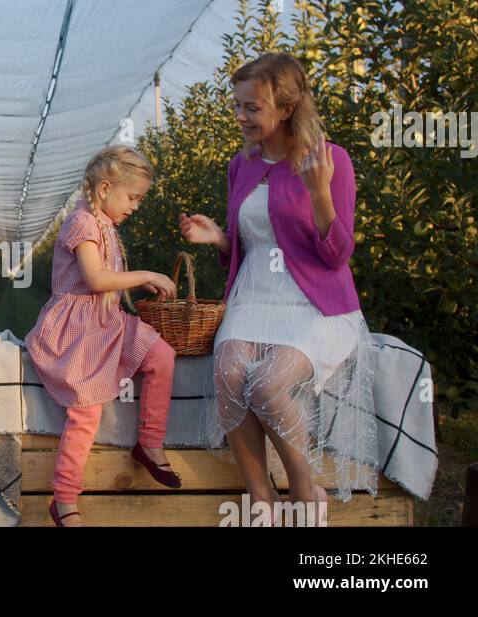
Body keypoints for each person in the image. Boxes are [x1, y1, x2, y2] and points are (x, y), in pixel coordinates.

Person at [179, 52, 378, 523]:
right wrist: (220, 239)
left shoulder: (330, 161)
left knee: (267, 384)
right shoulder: (240, 165)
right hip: (253, 295)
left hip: (311, 299)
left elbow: (336, 254)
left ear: (285, 108)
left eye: (252, 108)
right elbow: (249, 246)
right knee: (228, 374)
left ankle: (304, 485)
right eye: (238, 106)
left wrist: (320, 193)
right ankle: (261, 500)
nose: (240, 117)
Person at [25, 144, 180, 527]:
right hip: (77, 330)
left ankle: (150, 442)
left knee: (161, 355)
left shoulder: (106, 225)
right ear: (106, 188)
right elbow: (95, 280)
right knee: (86, 411)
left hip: (107, 321)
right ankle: (63, 500)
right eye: (133, 197)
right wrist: (145, 275)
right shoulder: (81, 222)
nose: (136, 206)